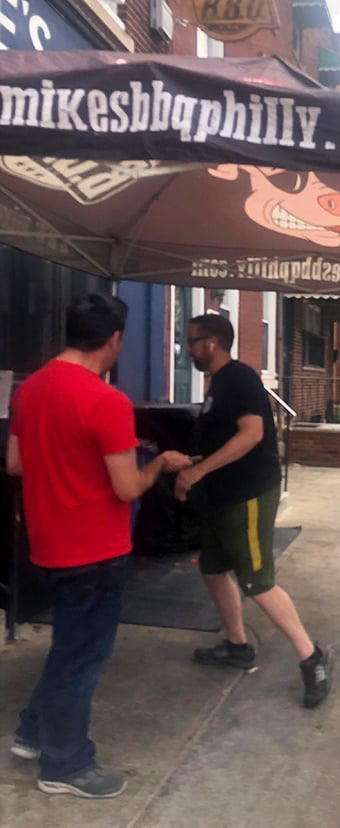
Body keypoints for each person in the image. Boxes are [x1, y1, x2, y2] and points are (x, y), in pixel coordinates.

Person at [6, 294, 191, 798]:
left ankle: (30, 730)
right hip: (95, 551)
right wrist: (159, 465)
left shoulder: (30, 390)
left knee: (68, 647)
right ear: (113, 340)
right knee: (82, 657)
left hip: (46, 545)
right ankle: (64, 764)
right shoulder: (107, 402)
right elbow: (128, 487)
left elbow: (16, 465)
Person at [174, 314, 332, 709]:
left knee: (256, 579)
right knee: (211, 567)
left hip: (247, 494)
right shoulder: (220, 385)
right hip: (221, 494)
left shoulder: (240, 378)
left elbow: (253, 434)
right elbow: (226, 440)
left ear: (211, 343)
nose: (187, 348)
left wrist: (198, 471)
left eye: (192, 341)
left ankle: (312, 657)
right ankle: (237, 645)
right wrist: (194, 461)